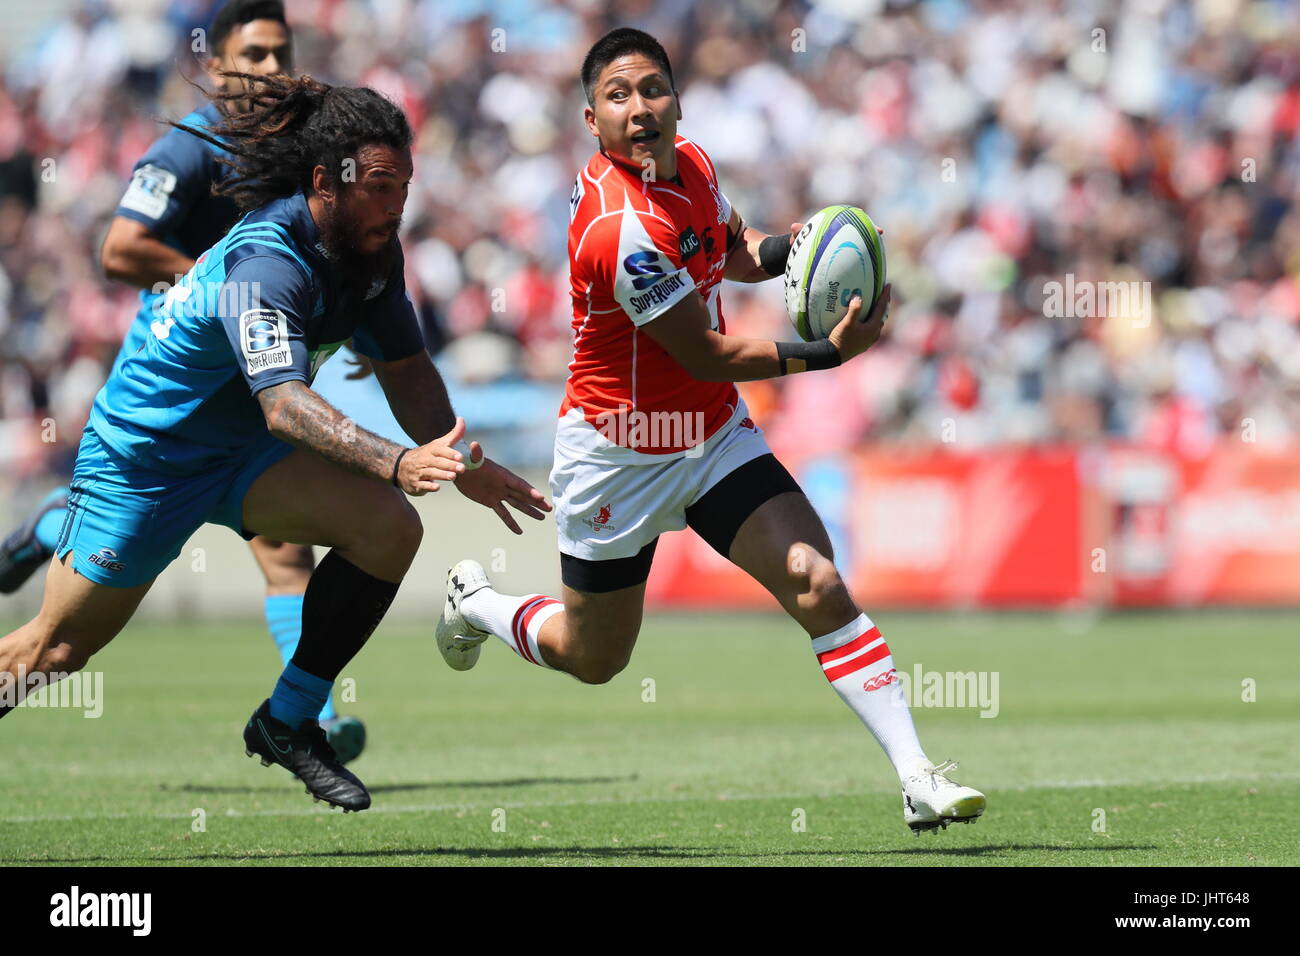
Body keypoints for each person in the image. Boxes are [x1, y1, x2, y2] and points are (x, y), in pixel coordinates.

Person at [435, 27, 985, 834]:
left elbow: (733, 249)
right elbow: (709, 351)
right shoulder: (616, 230)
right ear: (592, 120)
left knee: (819, 582)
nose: (639, 108)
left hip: (711, 438)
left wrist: (798, 247)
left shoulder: (690, 163)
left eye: (652, 88)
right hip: (615, 455)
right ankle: (477, 600)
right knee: (595, 660)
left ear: (677, 99)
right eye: (617, 96)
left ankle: (917, 777)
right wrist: (826, 355)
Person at [0, 72, 550, 813]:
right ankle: (56, 524)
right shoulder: (267, 260)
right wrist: (395, 460)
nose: (397, 205)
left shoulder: (372, 255)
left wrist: (465, 463)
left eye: (405, 185)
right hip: (148, 458)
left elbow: (411, 376)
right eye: (380, 187)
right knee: (54, 653)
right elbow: (287, 407)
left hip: (241, 453)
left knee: (388, 528)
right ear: (325, 181)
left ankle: (288, 721)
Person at [0, 0, 367, 762]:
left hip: (253, 398)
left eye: (281, 53)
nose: (271, 68)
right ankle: (54, 528)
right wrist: (220, 290)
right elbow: (121, 248)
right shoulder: (191, 149)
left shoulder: (303, 157)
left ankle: (311, 719)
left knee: (289, 555)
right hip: (173, 398)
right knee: (60, 650)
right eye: (254, 54)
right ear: (217, 63)